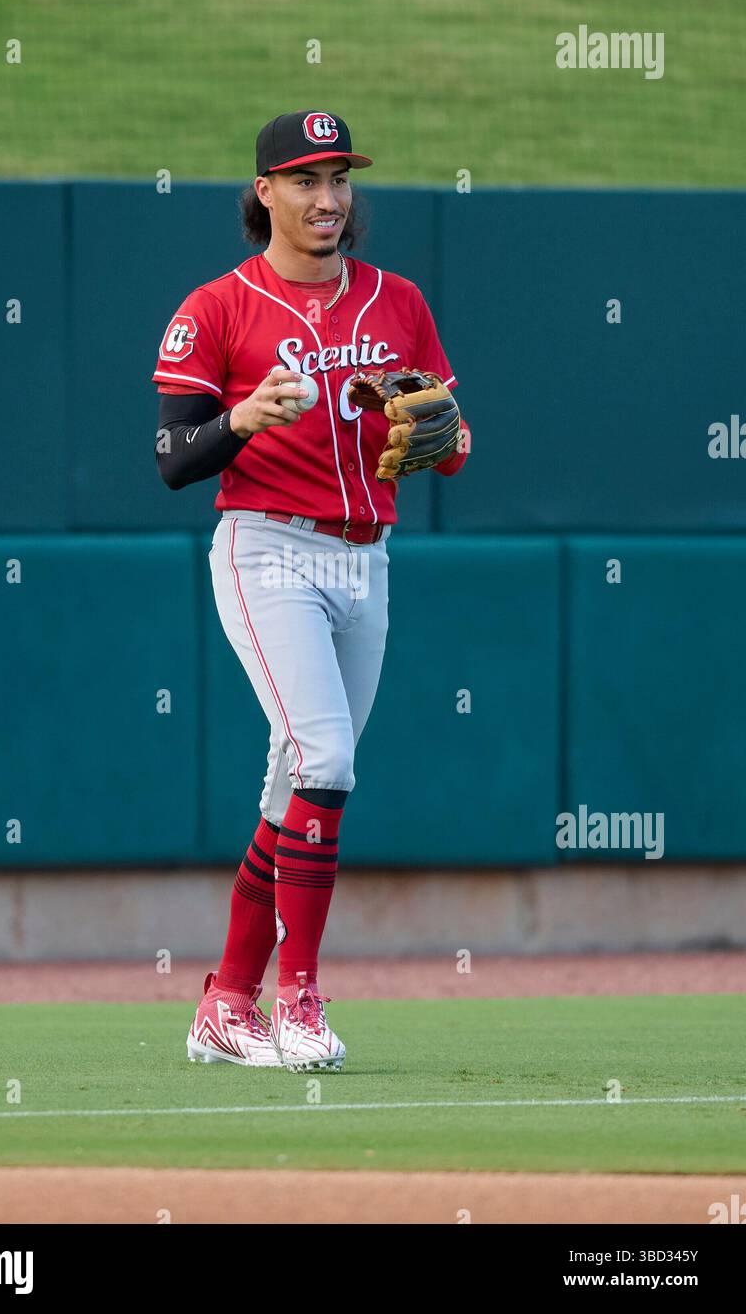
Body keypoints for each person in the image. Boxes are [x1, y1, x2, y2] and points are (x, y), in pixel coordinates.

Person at [152, 110, 471, 1070]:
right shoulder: (215, 308)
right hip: (268, 550)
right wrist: (241, 417)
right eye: (304, 180)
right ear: (265, 194)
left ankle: (225, 1004)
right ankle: (300, 1001)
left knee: (298, 784)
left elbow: (452, 441)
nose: (327, 198)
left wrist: (438, 436)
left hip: (364, 554)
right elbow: (172, 459)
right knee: (325, 756)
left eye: (337, 178)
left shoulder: (397, 301)